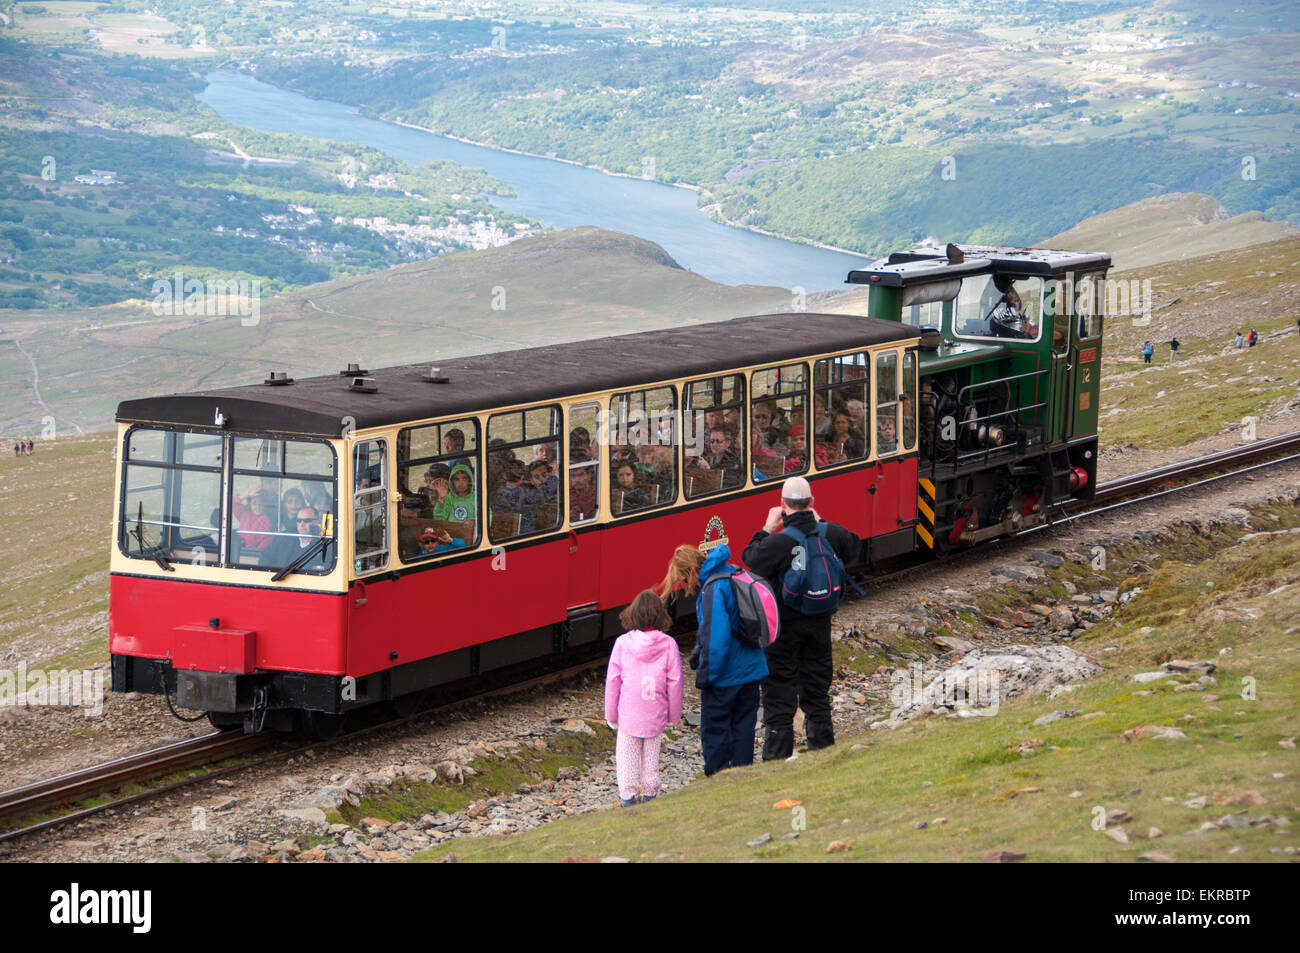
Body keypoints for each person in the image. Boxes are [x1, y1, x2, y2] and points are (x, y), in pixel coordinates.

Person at [742, 476, 861, 760]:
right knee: (817, 689)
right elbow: (853, 547)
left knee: (779, 691)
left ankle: (777, 758)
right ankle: (822, 751)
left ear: (783, 505)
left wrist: (767, 528)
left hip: (783, 629)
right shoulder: (829, 532)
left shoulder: (779, 542)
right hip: (819, 623)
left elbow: (751, 559)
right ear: (812, 503)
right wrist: (822, 523)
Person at [660, 544, 767, 777]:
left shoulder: (712, 588)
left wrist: (706, 676)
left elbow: (716, 637)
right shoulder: (732, 572)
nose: (685, 586)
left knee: (716, 730)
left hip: (727, 675)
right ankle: (742, 776)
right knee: (744, 727)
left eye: (682, 579)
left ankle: (717, 779)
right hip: (752, 667)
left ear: (691, 572)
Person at [604, 590, 682, 806]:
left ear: (633, 614)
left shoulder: (622, 643)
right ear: (661, 615)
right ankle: (650, 795)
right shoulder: (668, 644)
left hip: (628, 714)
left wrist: (611, 715)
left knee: (626, 759)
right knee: (650, 760)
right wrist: (673, 715)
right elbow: (674, 682)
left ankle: (628, 799)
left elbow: (613, 681)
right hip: (655, 713)